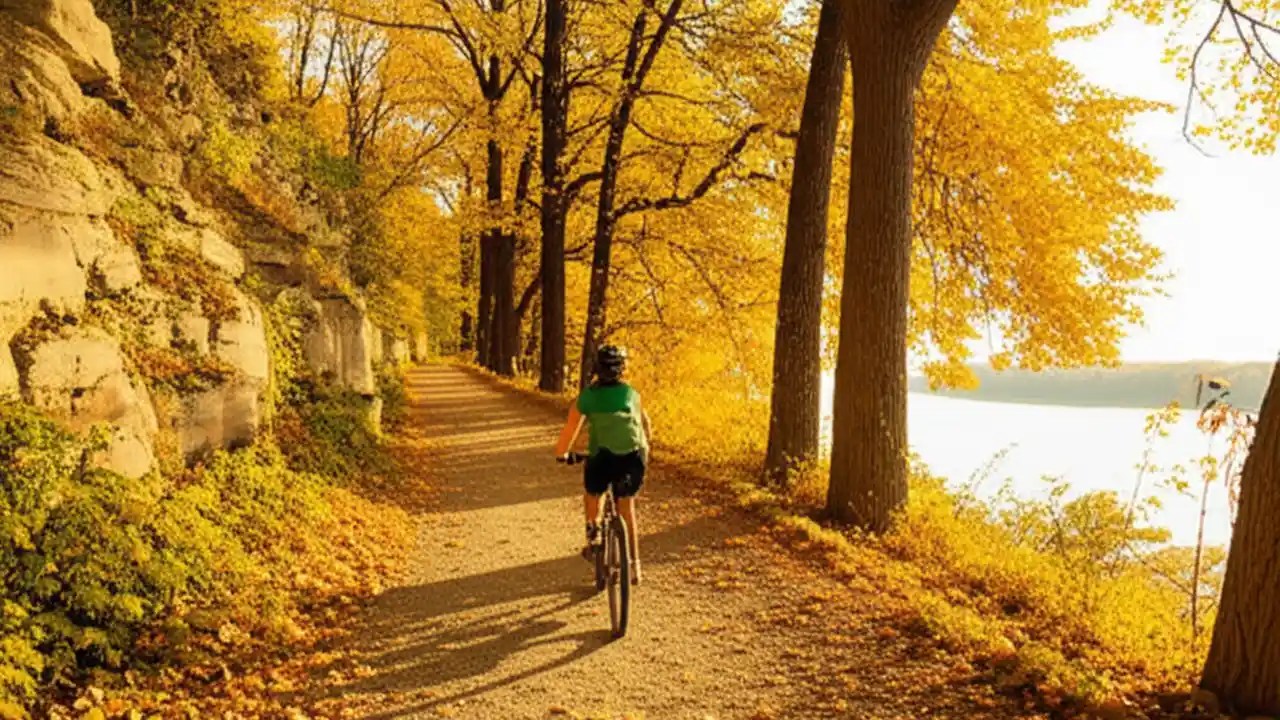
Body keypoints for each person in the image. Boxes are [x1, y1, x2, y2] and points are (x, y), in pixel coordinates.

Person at [554, 345, 651, 585]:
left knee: (593, 492)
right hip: (634, 455)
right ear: (622, 369)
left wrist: (562, 454)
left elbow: (571, 429)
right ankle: (635, 567)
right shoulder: (631, 393)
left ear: (596, 369)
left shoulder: (588, 397)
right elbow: (645, 425)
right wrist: (647, 447)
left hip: (603, 456)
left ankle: (593, 531)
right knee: (626, 507)